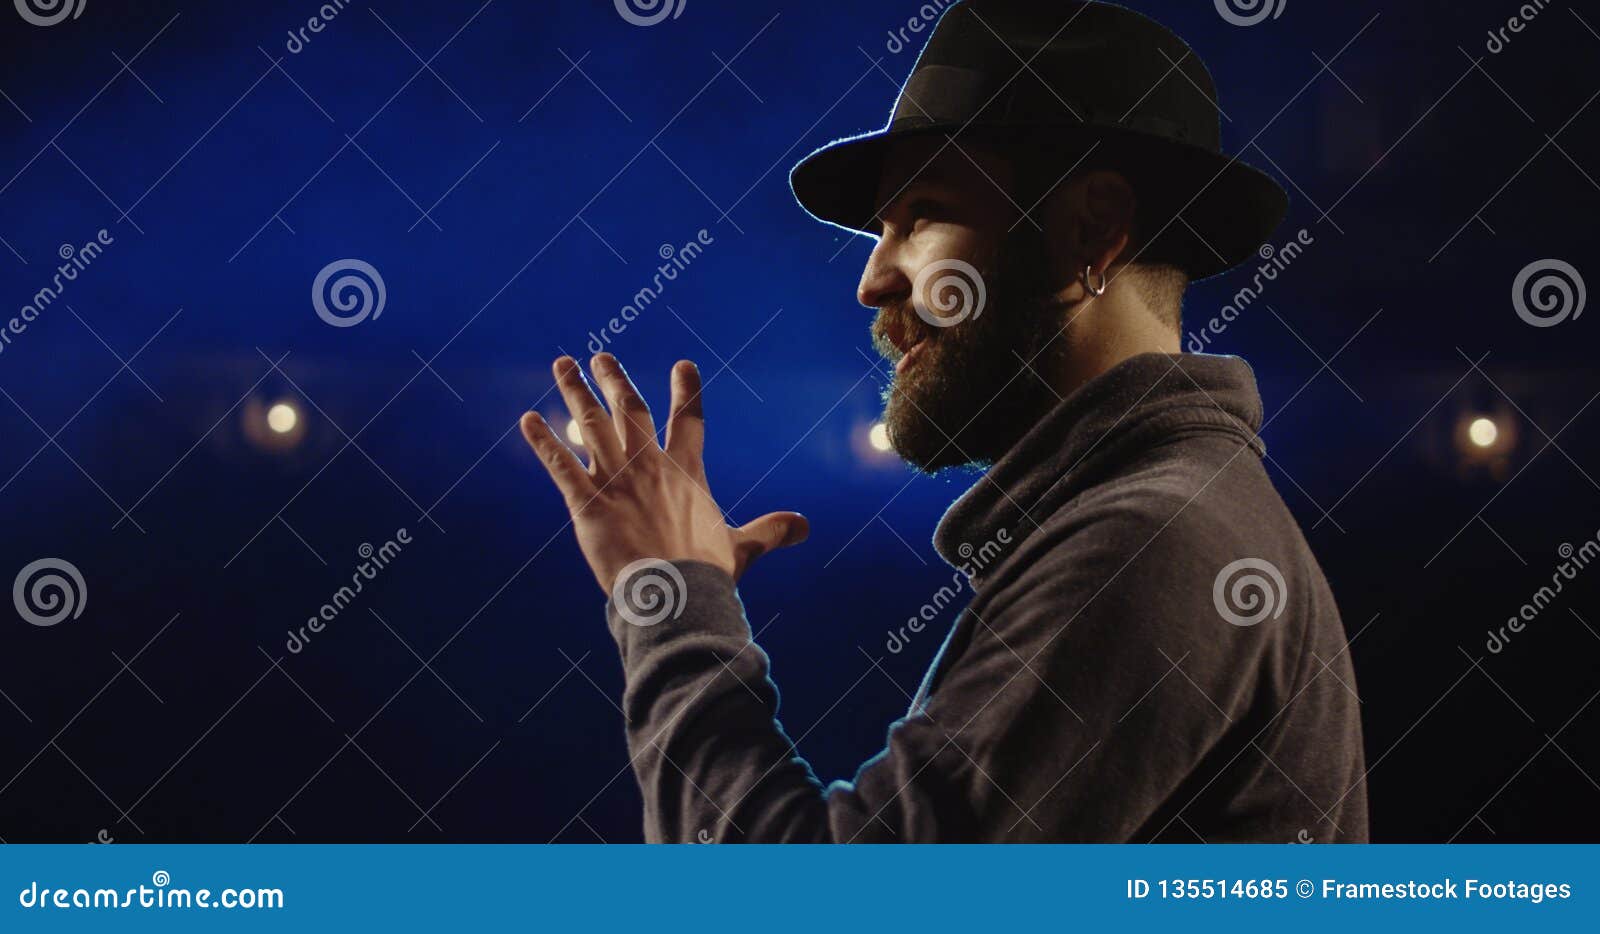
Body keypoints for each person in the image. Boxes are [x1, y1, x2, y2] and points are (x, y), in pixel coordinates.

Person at [518, 0, 1367, 842]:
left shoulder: (1150, 542)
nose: (874, 279)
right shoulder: (1161, 518)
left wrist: (672, 605)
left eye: (922, 215)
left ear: (1094, 230)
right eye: (881, 229)